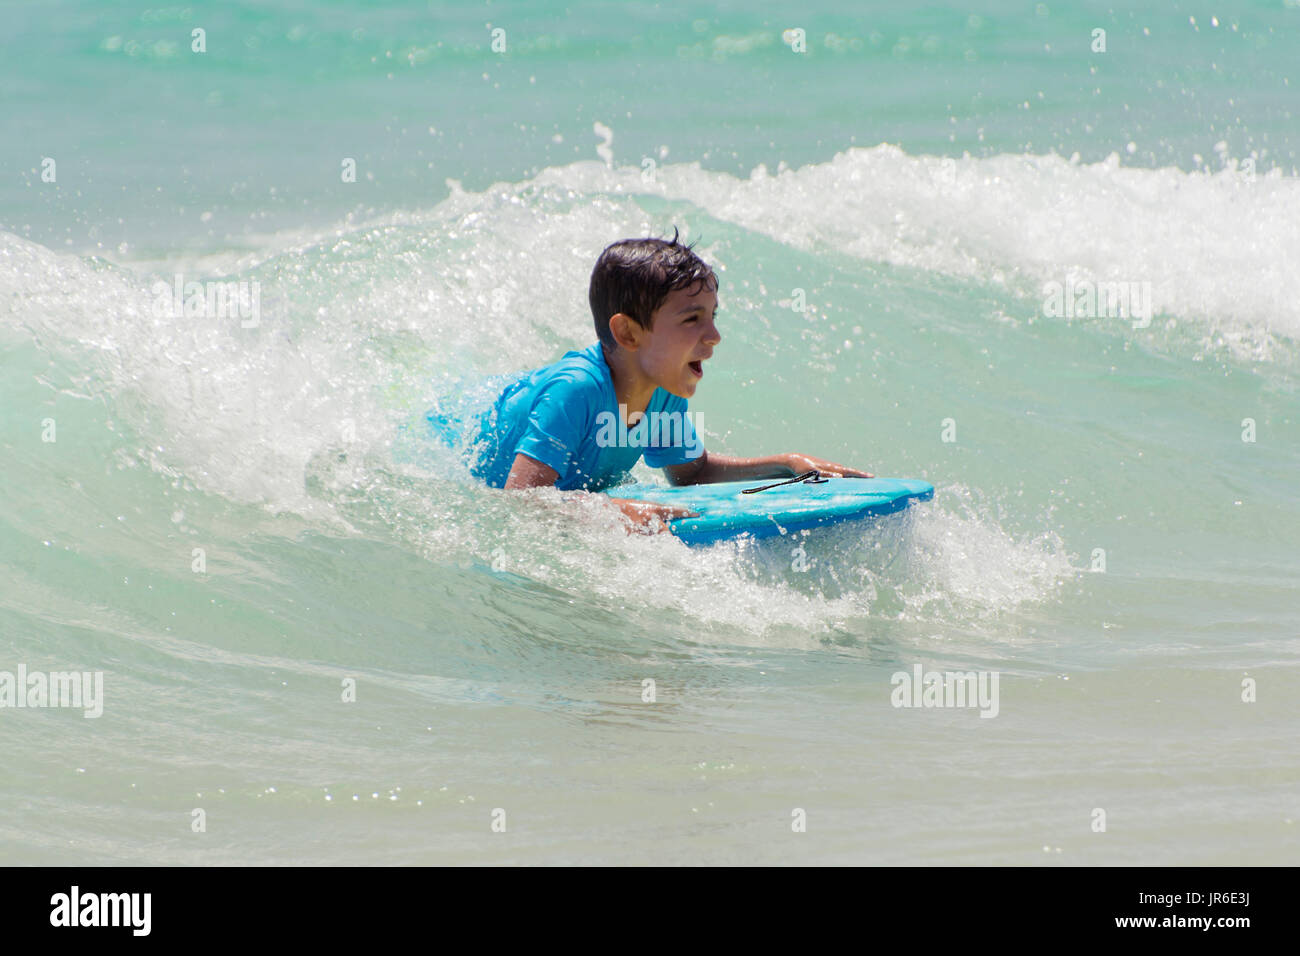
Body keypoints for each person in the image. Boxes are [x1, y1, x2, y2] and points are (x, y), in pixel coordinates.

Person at [453, 231, 872, 532]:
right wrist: (614, 511)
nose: (714, 335)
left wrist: (787, 464)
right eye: (692, 319)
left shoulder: (661, 393)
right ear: (630, 334)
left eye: (712, 316)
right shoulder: (576, 392)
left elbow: (692, 474)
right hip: (457, 434)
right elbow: (520, 500)